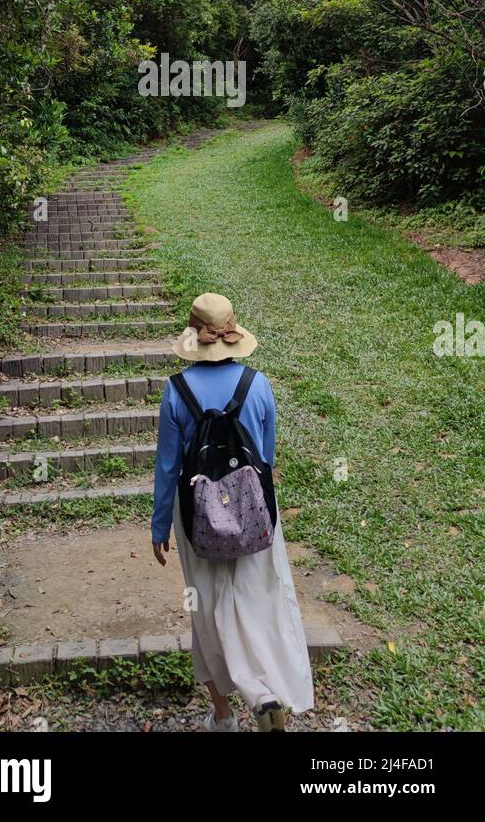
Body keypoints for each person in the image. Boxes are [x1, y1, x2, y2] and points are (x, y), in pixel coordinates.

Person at [152, 292, 314, 733]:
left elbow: (167, 467)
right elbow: (266, 455)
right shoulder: (257, 384)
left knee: (205, 608)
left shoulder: (175, 390)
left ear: (195, 336)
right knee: (263, 602)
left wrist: (158, 525)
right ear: (233, 333)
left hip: (196, 518)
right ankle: (268, 693)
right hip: (255, 513)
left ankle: (223, 715)